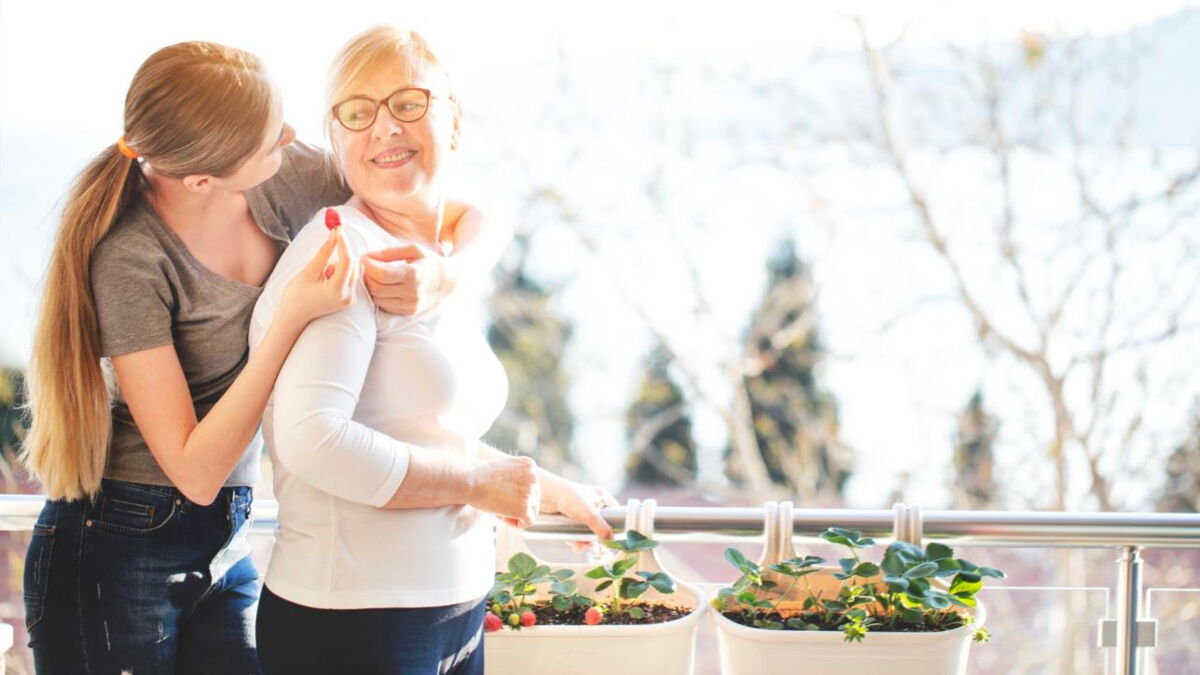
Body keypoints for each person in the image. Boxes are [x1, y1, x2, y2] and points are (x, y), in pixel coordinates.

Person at [20, 40, 510, 674]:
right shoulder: (131, 259)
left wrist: (450, 274)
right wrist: (289, 320)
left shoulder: (284, 174)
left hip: (229, 536)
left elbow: (470, 211)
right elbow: (195, 471)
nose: (292, 136)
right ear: (204, 179)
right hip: (119, 541)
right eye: (271, 137)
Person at [251, 26, 618, 675]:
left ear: (454, 121)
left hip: (449, 611)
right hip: (356, 625)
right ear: (336, 140)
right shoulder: (345, 253)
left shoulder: (435, 264)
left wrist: (540, 486)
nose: (384, 127)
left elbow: (413, 430)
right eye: (358, 112)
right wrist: (478, 484)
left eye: (408, 102)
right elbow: (312, 439)